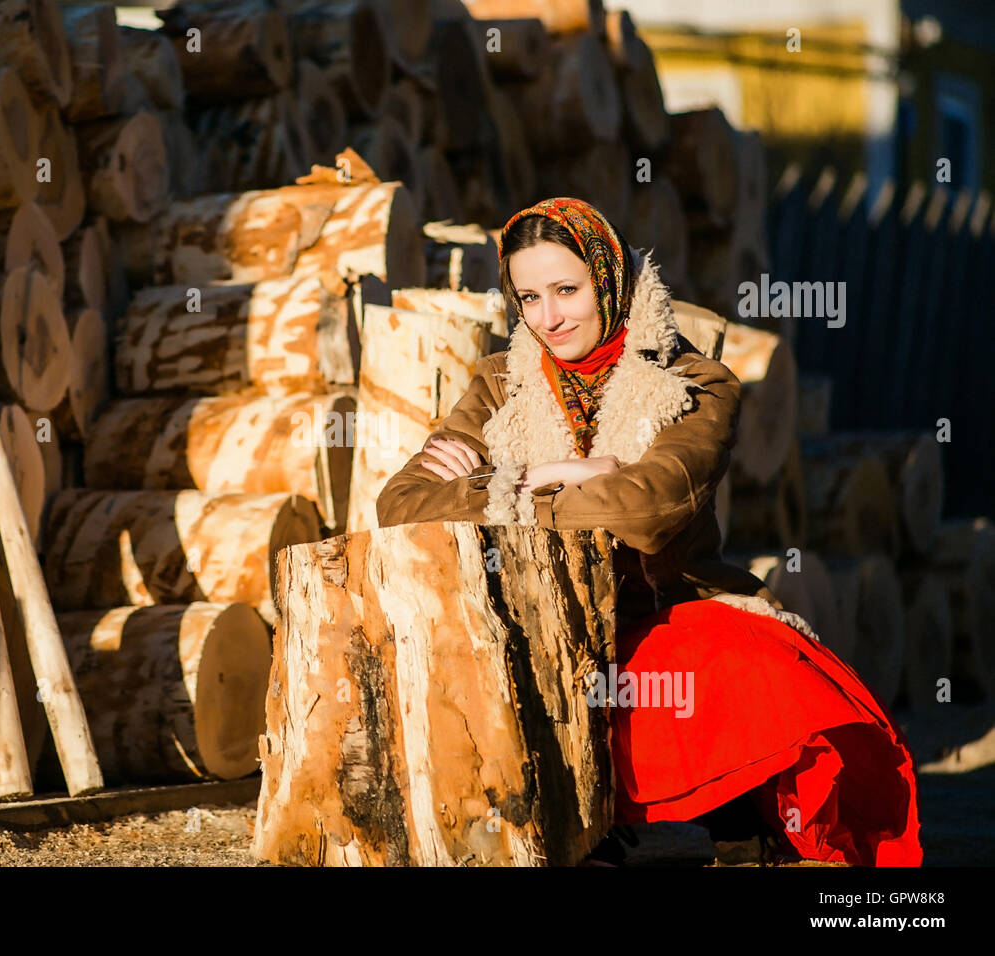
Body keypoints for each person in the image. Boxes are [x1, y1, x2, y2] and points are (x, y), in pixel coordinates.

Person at [374, 197, 922, 867]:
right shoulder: (498, 385)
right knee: (528, 672)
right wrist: (554, 471)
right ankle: (581, 826)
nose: (549, 318)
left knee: (755, 676)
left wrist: (495, 490)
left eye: (567, 290)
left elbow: (647, 509)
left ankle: (736, 802)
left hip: (660, 609)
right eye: (530, 297)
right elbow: (401, 505)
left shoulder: (694, 384)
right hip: (530, 619)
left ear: (608, 280)